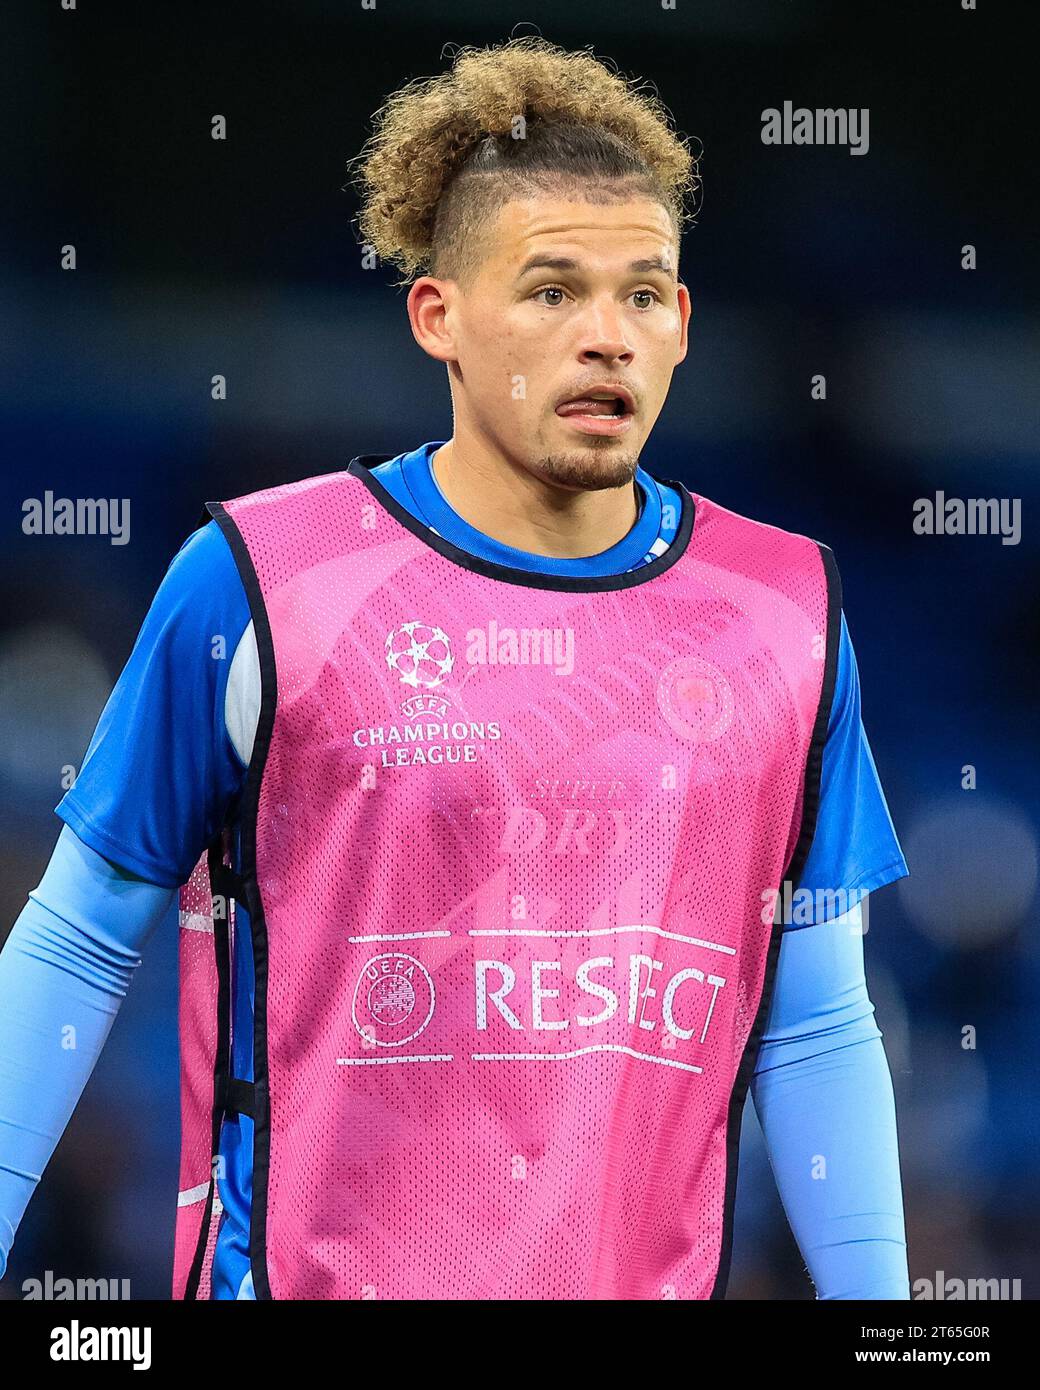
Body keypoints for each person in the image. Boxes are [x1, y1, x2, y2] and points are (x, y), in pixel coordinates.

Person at [0, 36, 910, 1300]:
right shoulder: (258, 579)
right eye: (550, 291)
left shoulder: (783, 611)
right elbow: (80, 938)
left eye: (643, 294)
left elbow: (815, 1017)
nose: (606, 337)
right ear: (438, 314)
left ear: (683, 324)